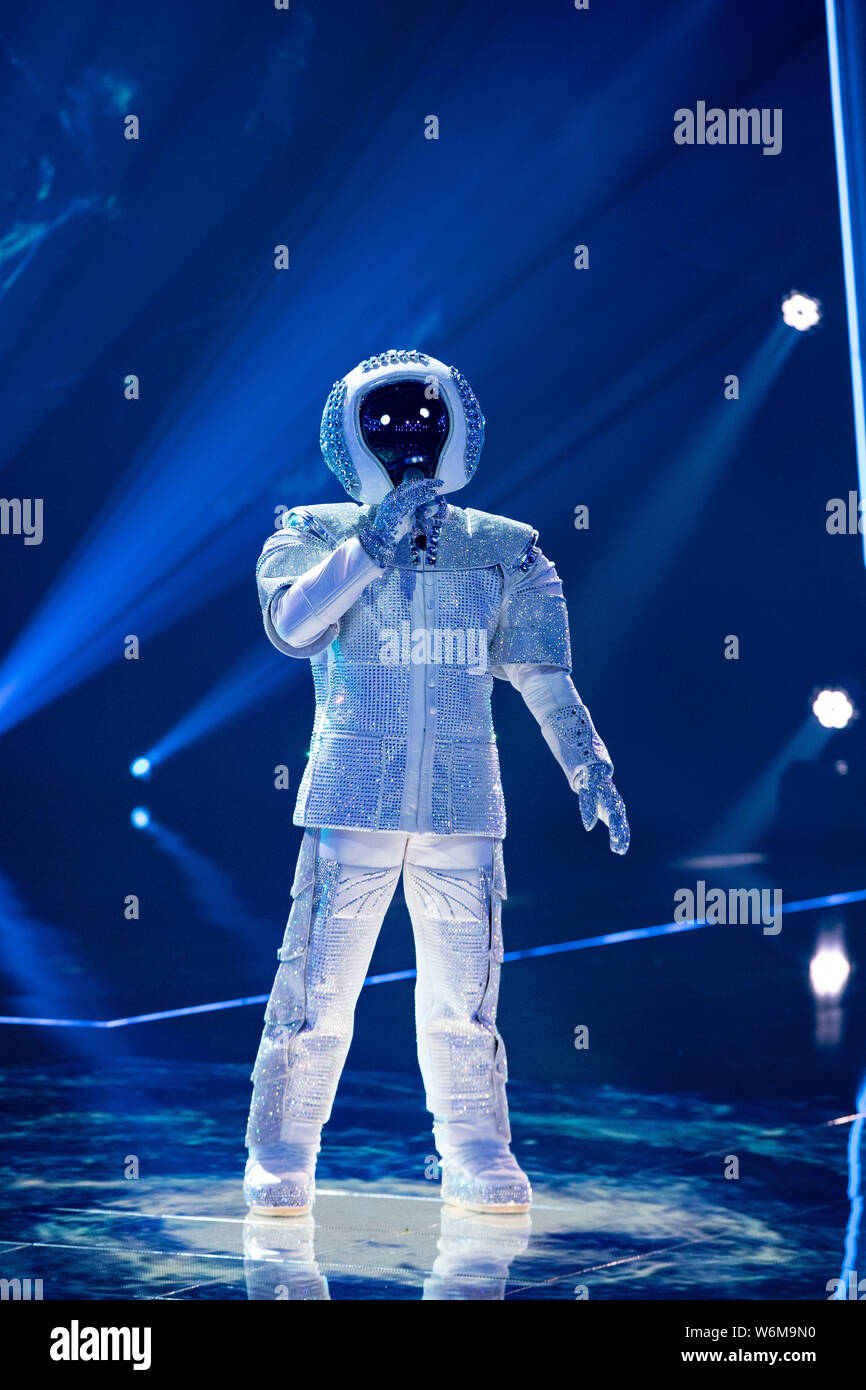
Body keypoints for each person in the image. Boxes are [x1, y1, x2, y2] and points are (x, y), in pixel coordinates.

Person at [244, 349, 629, 1217]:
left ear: (458, 429)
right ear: (352, 433)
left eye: (426, 419)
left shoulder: (507, 550)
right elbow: (293, 626)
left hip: (463, 801)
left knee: (467, 998)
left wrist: (588, 762)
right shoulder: (309, 533)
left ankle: (477, 1145)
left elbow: (543, 673)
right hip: (352, 792)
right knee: (315, 992)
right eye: (388, 422)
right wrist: (371, 544)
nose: (409, 436)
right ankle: (281, 1149)